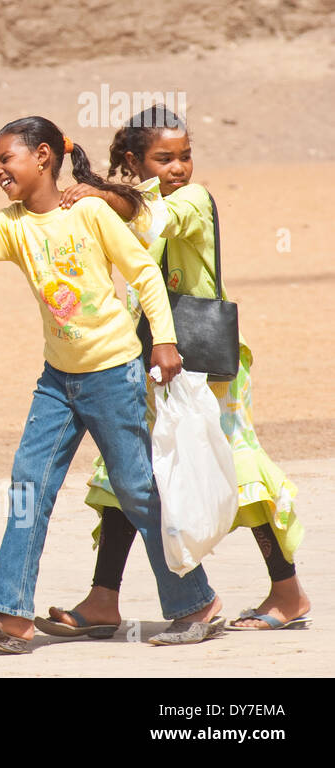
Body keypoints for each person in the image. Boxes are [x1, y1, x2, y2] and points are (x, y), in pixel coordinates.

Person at [0, 114, 224, 652]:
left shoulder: (88, 212)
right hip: (58, 381)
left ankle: (196, 602)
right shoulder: (12, 225)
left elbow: (143, 272)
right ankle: (12, 618)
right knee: (28, 484)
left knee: (135, 490)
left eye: (5, 159)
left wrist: (165, 341)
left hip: (112, 372)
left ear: (42, 157)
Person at [39, 106, 308, 635]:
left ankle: (288, 591)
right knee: (126, 470)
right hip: (153, 360)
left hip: (209, 366)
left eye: (185, 155)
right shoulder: (131, 202)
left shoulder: (193, 200)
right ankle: (102, 600)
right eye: (164, 158)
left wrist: (99, 195)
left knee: (238, 470)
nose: (179, 166)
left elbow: (152, 217)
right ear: (135, 161)